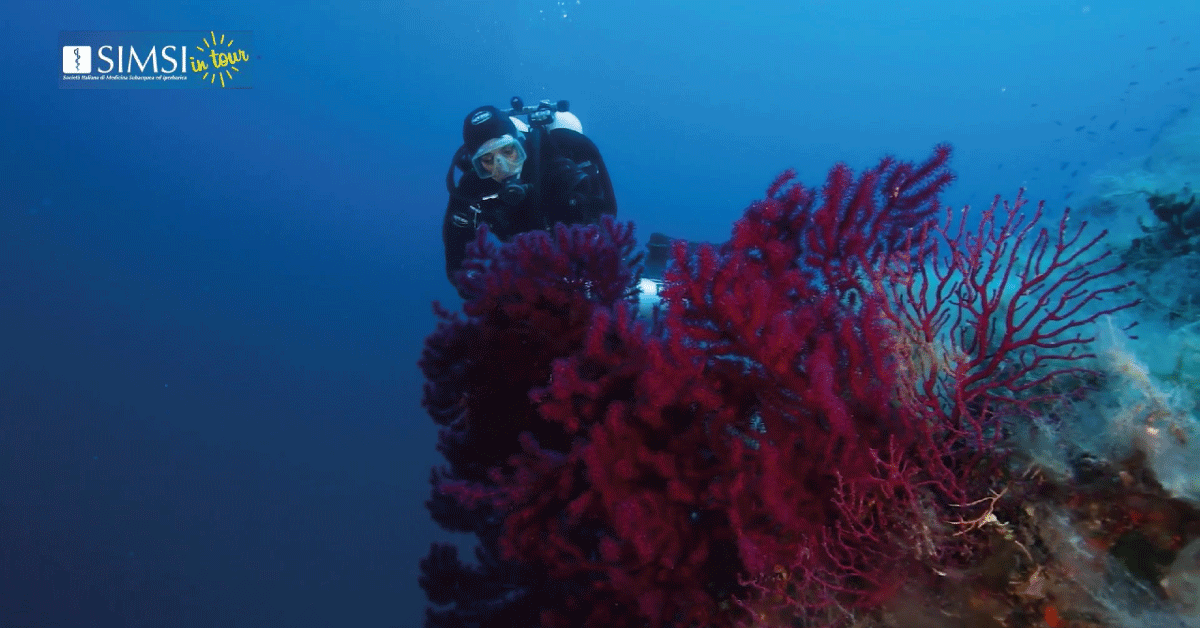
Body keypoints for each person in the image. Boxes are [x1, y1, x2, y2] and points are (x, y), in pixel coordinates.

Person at [442, 98, 618, 299]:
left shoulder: (555, 161)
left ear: (520, 142)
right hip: (525, 278)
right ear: (477, 166)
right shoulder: (472, 188)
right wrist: (494, 295)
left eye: (508, 151)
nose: (503, 167)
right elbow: (457, 261)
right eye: (488, 160)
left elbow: (606, 218)